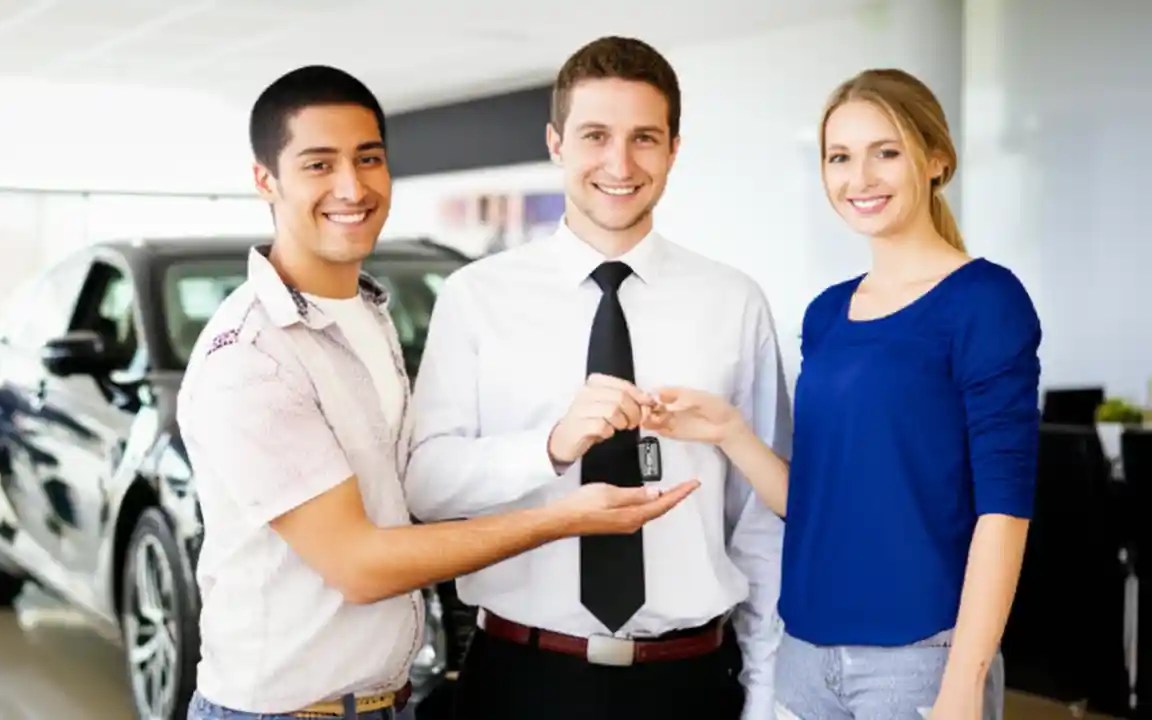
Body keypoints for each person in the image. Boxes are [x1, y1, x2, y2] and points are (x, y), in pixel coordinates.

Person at [176, 64, 700, 720]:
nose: (351, 186)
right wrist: (564, 518)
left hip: (382, 702)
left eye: (368, 158)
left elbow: (415, 488)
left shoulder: (364, 311)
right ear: (265, 180)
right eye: (318, 164)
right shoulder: (254, 358)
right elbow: (361, 564)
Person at [405, 37, 790, 720]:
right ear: (556, 142)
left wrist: (765, 697)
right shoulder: (475, 297)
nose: (620, 162)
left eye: (644, 138)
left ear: (674, 148)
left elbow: (760, 524)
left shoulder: (734, 302)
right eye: (595, 135)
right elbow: (426, 486)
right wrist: (547, 445)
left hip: (690, 684)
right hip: (523, 682)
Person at [643, 68, 1042, 720]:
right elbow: (820, 506)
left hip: (918, 659)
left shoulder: (986, 301)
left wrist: (964, 682)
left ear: (936, 159)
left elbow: (1004, 512)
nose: (860, 178)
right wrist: (730, 432)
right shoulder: (827, 315)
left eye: (886, 152)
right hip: (804, 656)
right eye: (840, 157)